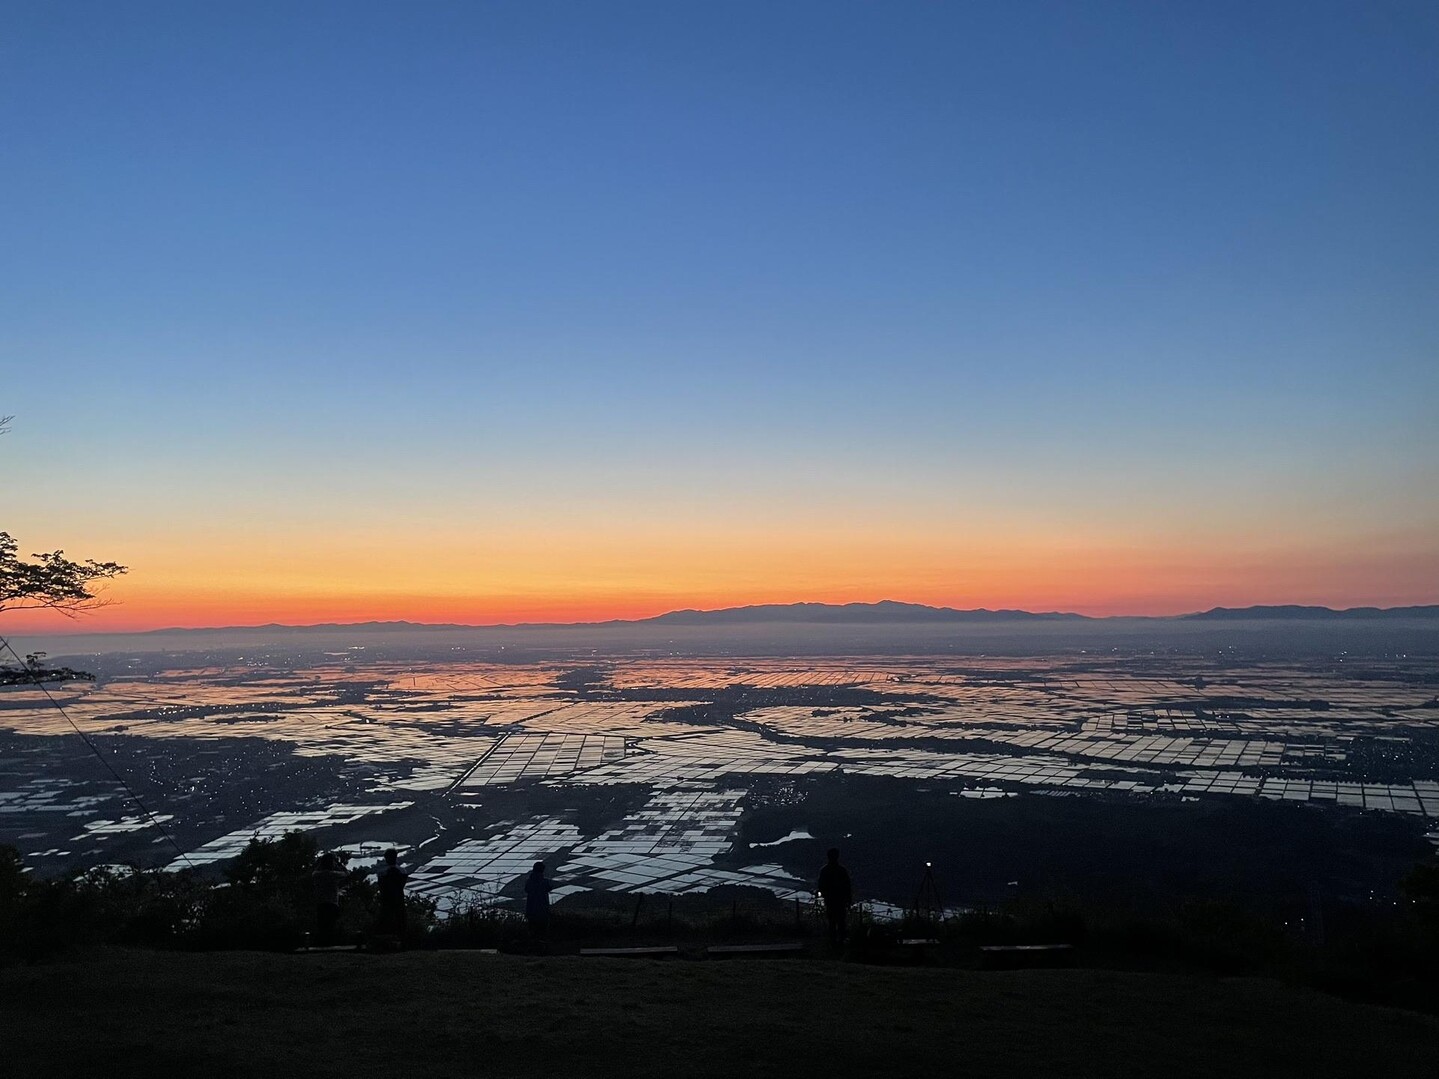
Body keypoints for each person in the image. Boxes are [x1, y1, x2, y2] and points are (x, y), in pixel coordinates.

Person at [817, 847, 853, 944]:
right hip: (840, 900)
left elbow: (821, 886)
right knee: (841, 921)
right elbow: (847, 886)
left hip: (830, 900)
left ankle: (833, 941)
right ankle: (841, 940)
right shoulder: (842, 870)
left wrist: (823, 896)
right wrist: (849, 899)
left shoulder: (824, 870)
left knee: (832, 921)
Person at [312, 851, 347, 946]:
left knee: (322, 925)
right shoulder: (334, 874)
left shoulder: (317, 875)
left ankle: (321, 944)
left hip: (320, 903)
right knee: (331, 925)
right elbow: (345, 873)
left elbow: (314, 872)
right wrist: (338, 863)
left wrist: (320, 863)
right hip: (332, 902)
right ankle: (331, 944)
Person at [375, 848, 408, 940]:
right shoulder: (403, 871)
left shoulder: (382, 873)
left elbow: (381, 886)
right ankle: (402, 940)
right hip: (399, 898)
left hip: (386, 899)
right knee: (400, 920)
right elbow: (402, 884)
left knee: (386, 920)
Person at [525, 861, 555, 935]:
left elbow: (526, 889)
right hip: (542, 909)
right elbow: (549, 888)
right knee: (542, 931)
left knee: (532, 931)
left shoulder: (529, 881)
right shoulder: (544, 882)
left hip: (531, 909)